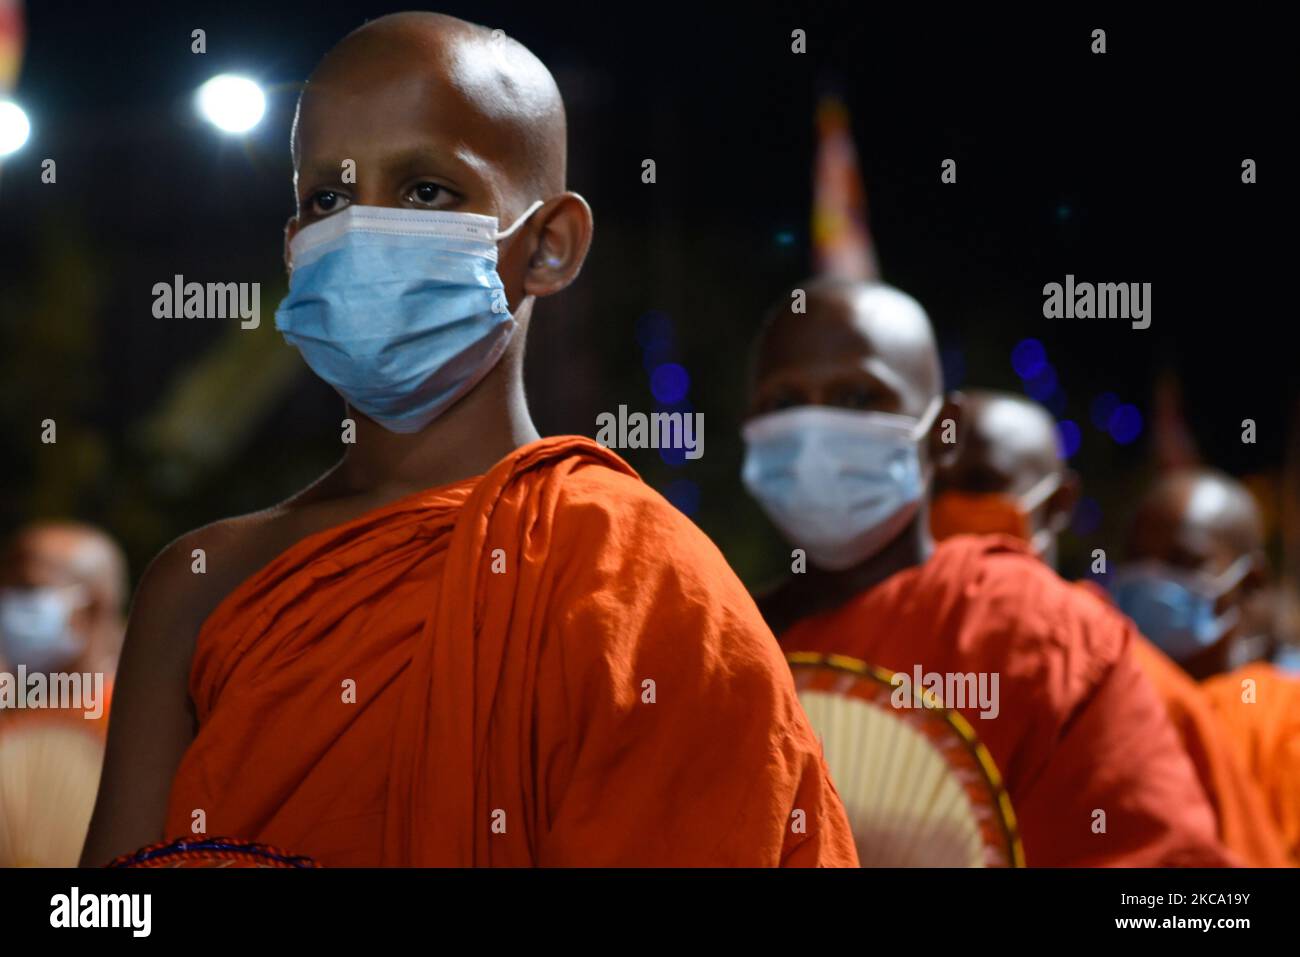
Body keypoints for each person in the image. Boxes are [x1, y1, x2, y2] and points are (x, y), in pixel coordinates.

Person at [80, 13, 856, 868]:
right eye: (327, 199)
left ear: (549, 245)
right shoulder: (198, 585)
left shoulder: (643, 579)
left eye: (425, 191)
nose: (361, 229)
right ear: (295, 245)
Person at [740, 277, 1231, 866]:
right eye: (784, 404)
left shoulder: (1046, 637)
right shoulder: (733, 645)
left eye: (857, 398)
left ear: (942, 434)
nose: (815, 433)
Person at [933, 400, 1290, 866]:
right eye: (1137, 562)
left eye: (982, 484)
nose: (1151, 580)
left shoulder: (1095, 663)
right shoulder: (913, 645)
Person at [1119, 468, 1299, 864]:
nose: (1151, 579)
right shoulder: (1109, 706)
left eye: (1183, 562)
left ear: (1250, 582)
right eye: (1136, 560)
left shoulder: (1284, 719)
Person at [0, 520, 126, 723]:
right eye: (5, 587)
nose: (8, 602)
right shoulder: (11, 721)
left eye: (28, 589)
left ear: (91, 609)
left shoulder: (136, 721)